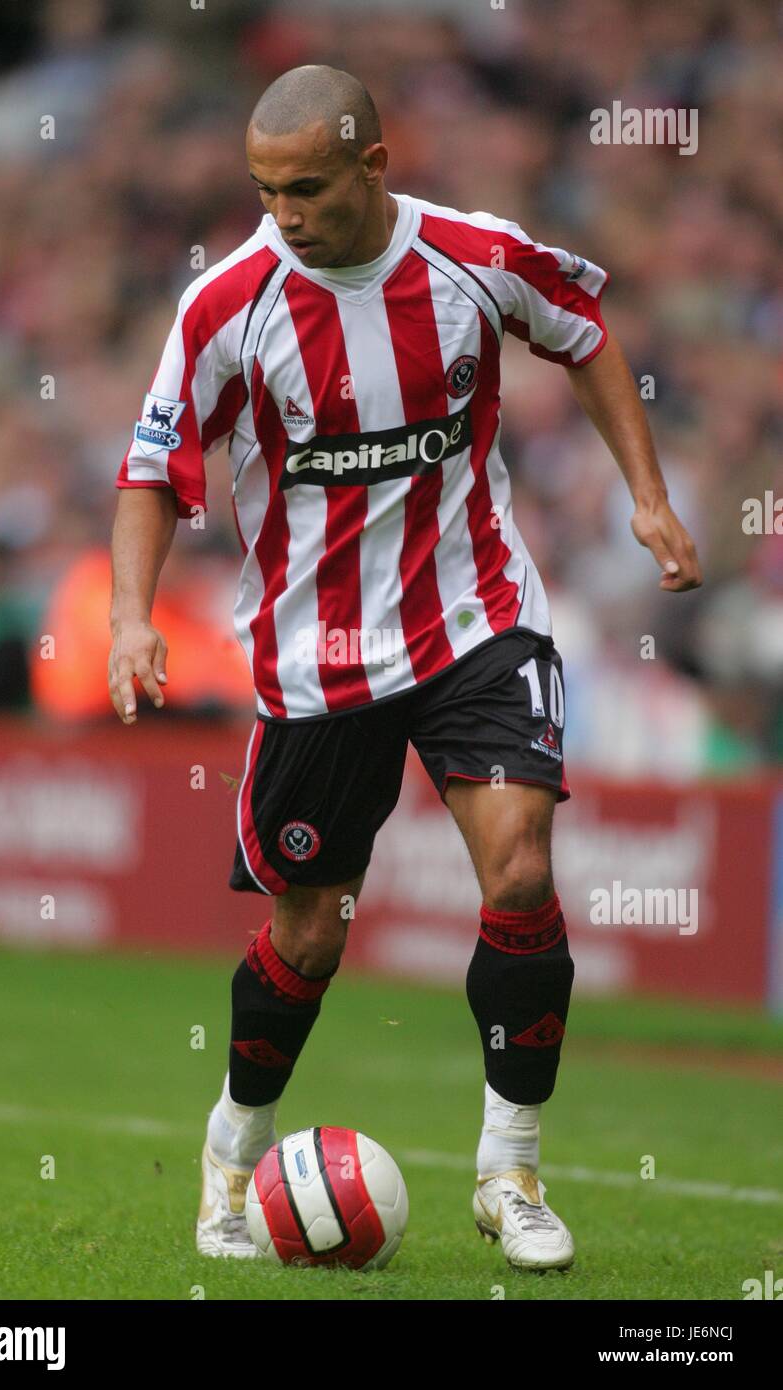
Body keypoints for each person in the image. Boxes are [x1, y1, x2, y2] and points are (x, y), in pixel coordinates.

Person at [108, 65, 701, 1270]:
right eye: (265, 191)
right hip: (316, 658)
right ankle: (235, 1143)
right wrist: (127, 615)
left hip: (475, 618)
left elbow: (585, 335)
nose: (284, 212)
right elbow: (149, 463)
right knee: (310, 933)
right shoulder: (228, 304)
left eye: (308, 188)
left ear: (374, 167)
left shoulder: (474, 257)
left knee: (521, 867)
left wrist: (646, 496)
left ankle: (510, 1170)